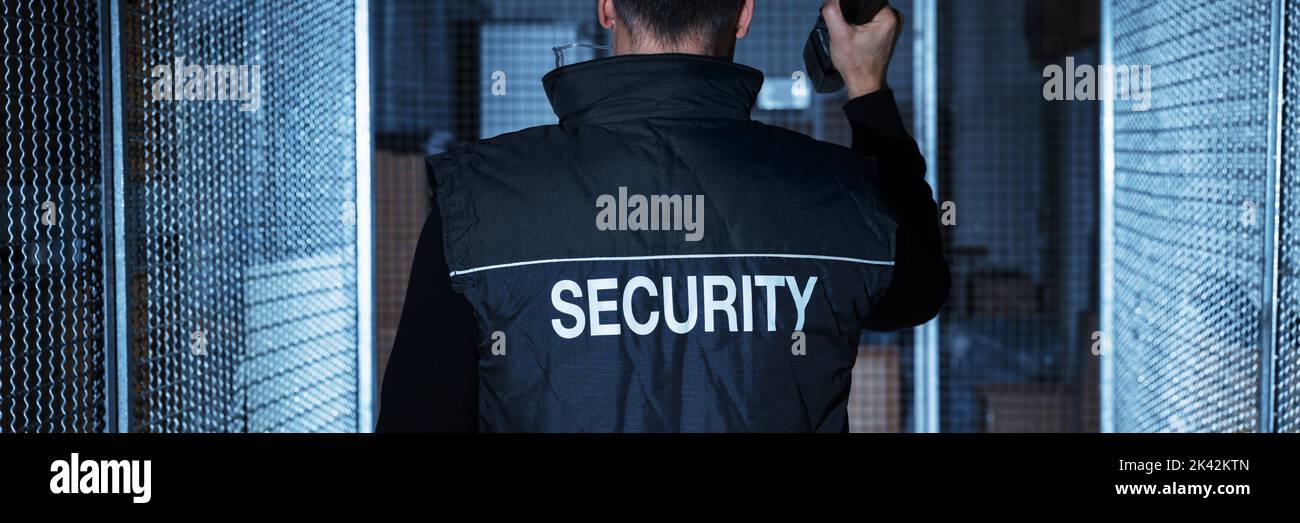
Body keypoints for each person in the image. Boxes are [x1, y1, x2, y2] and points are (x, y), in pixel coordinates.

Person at [377, 0, 948, 432]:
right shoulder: (838, 193)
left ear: (607, 7)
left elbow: (417, 416)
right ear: (744, 14)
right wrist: (867, 88)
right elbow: (920, 290)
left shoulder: (478, 197)